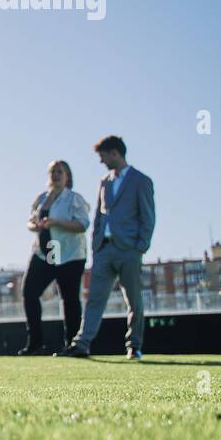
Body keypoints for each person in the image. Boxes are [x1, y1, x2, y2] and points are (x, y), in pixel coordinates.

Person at [56, 135, 155, 360]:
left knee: (134, 300)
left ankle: (134, 346)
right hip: (104, 250)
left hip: (129, 250)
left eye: (103, 157)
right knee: (94, 299)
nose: (101, 162)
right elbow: (99, 217)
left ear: (114, 153)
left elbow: (148, 217)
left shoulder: (141, 181)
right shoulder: (104, 182)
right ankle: (82, 344)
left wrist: (140, 247)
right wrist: (96, 245)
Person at [16, 159, 89, 355]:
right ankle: (35, 342)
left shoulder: (74, 199)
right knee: (29, 293)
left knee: (69, 298)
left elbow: (83, 224)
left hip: (69, 254)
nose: (56, 175)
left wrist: (57, 222)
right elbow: (30, 222)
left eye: (60, 172)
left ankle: (72, 344)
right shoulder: (41, 198)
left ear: (67, 177)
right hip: (44, 252)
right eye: (53, 172)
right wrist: (37, 226)